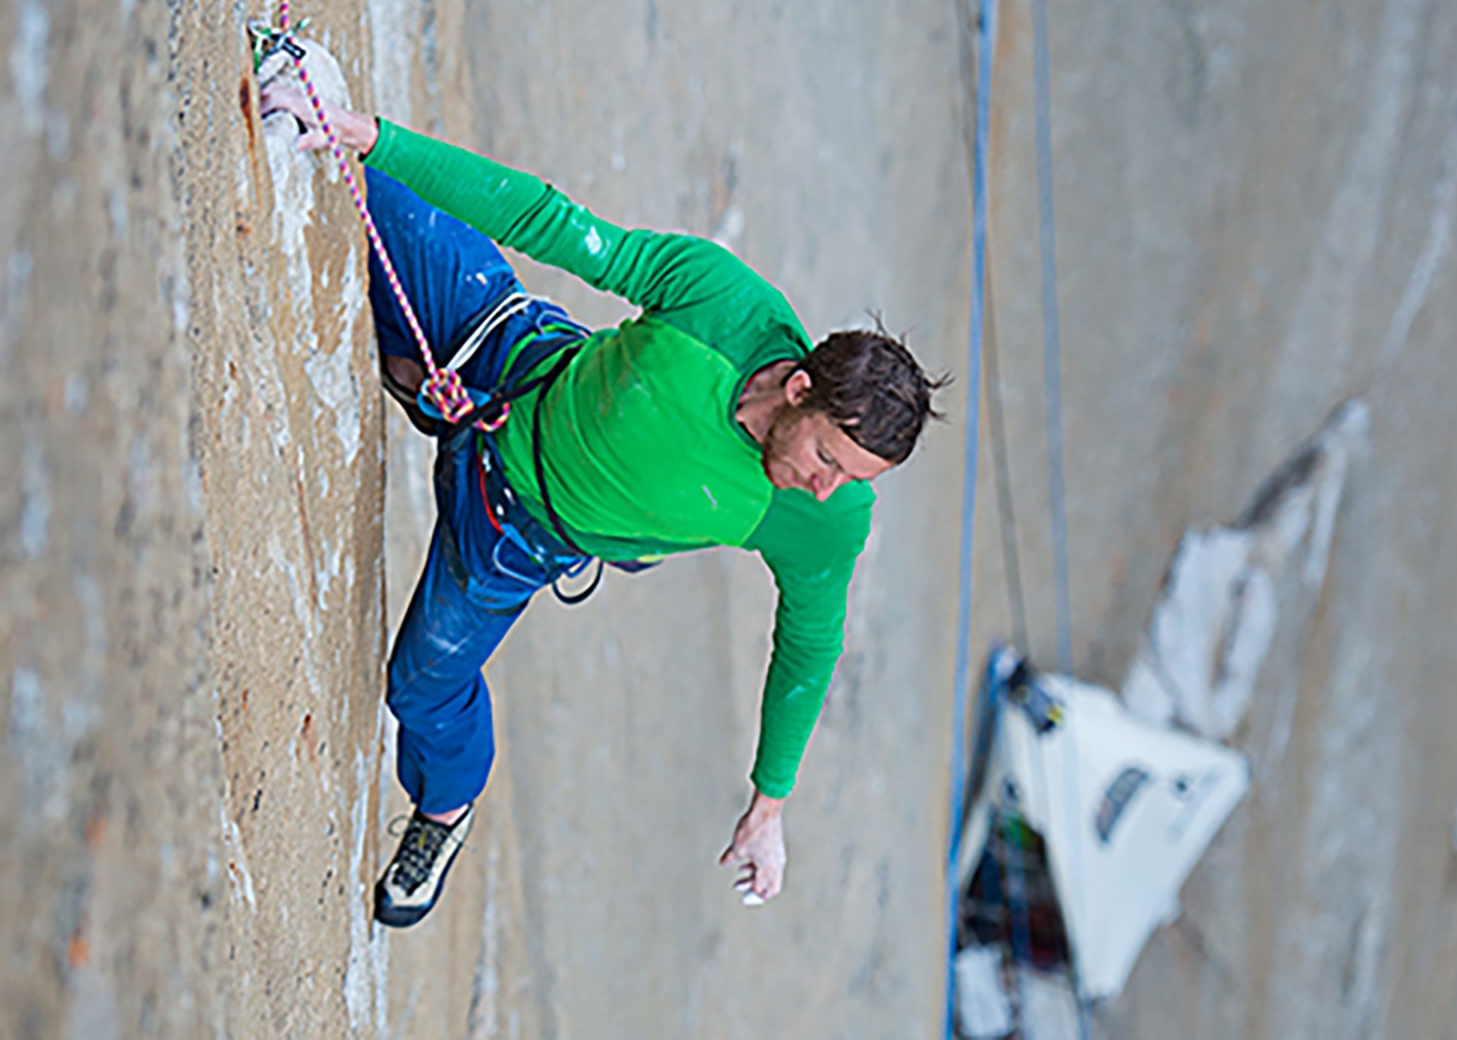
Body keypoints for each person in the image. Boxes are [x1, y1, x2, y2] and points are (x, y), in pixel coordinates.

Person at [261, 81, 947, 928]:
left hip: (512, 536)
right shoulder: (722, 301)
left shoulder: (824, 516)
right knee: (366, 176)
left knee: (420, 689)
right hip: (509, 360)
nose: (827, 488)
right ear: (799, 387)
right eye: (828, 460)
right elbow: (553, 223)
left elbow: (809, 648)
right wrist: (363, 130)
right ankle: (420, 377)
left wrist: (769, 805)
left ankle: (444, 812)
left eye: (852, 481)